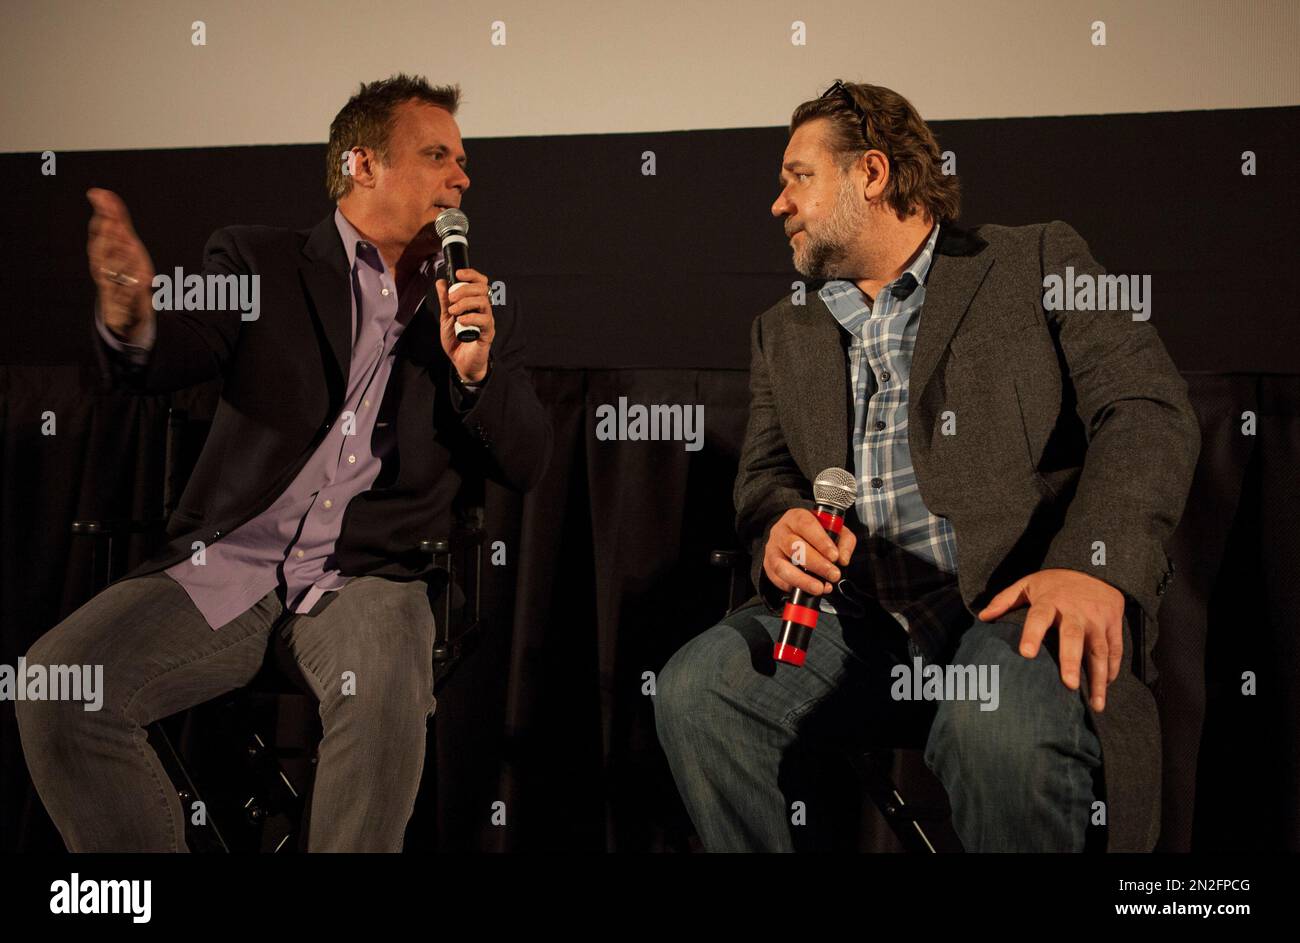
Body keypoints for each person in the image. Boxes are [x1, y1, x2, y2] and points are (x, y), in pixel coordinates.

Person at [654, 80, 1199, 852]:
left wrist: (1093, 566)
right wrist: (779, 521)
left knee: (995, 725)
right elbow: (766, 474)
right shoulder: (783, 330)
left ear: (871, 174)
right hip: (860, 630)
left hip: (1008, 611)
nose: (778, 203)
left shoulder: (1036, 257)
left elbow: (1147, 407)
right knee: (697, 689)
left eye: (797, 177)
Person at [17, 74, 551, 852]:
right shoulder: (259, 261)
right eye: (437, 155)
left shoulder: (471, 299)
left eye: (463, 162)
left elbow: (529, 461)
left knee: (382, 703)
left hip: (370, 577)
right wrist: (132, 318)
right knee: (56, 681)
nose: (461, 177)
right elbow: (175, 351)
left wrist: (474, 375)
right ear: (361, 165)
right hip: (228, 563)